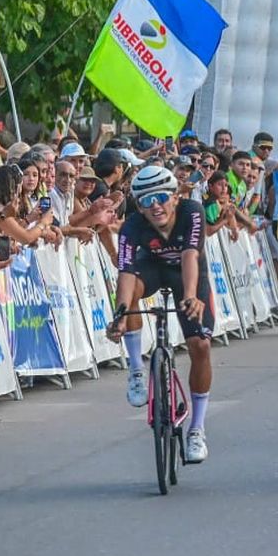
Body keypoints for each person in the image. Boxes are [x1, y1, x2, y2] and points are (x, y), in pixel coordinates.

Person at [109, 166, 215, 464]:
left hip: (187, 274)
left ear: (175, 198)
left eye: (161, 197)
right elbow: (126, 270)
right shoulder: (132, 226)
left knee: (201, 346)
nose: (155, 205)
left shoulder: (192, 211)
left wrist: (192, 296)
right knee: (127, 301)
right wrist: (120, 314)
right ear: (139, 207)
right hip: (152, 268)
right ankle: (136, 370)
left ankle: (197, 428)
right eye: (146, 201)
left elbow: (190, 255)